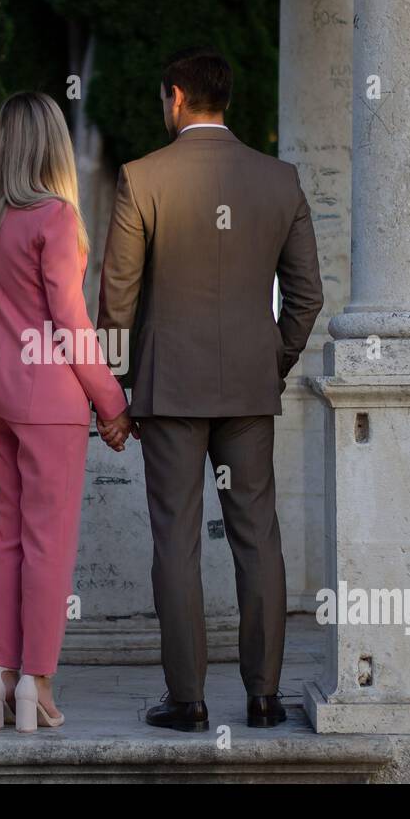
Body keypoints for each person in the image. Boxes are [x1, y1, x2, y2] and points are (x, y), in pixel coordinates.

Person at [97, 47, 324, 731]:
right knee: (259, 538)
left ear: (175, 97)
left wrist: (118, 385)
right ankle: (264, 698)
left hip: (169, 390)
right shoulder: (280, 180)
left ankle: (188, 701)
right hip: (250, 389)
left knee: (177, 541)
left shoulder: (142, 178)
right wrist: (270, 362)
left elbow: (116, 300)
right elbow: (307, 298)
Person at [0, 91, 132, 733]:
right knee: (47, 544)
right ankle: (35, 684)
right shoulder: (57, 217)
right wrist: (113, 402)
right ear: (54, 145)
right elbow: (70, 322)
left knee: (4, 537)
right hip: (50, 400)